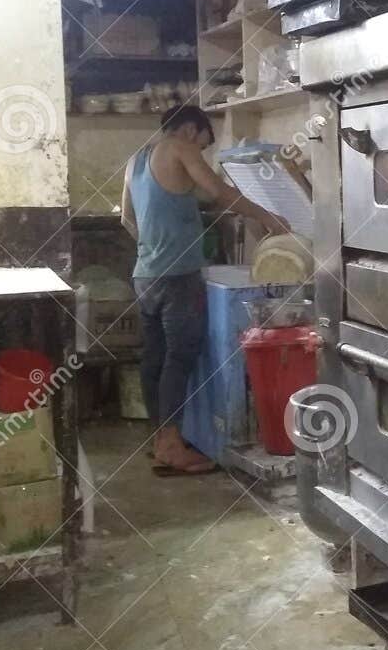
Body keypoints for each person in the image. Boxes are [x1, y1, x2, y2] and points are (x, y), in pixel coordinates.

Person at [121, 104, 290, 475]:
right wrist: (266, 216)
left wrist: (155, 246)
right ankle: (171, 446)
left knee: (155, 358)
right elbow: (219, 192)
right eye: (205, 142)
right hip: (178, 277)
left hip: (145, 275)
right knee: (179, 359)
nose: (203, 150)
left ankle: (161, 439)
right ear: (192, 130)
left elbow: (126, 217)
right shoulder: (180, 147)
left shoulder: (136, 159)